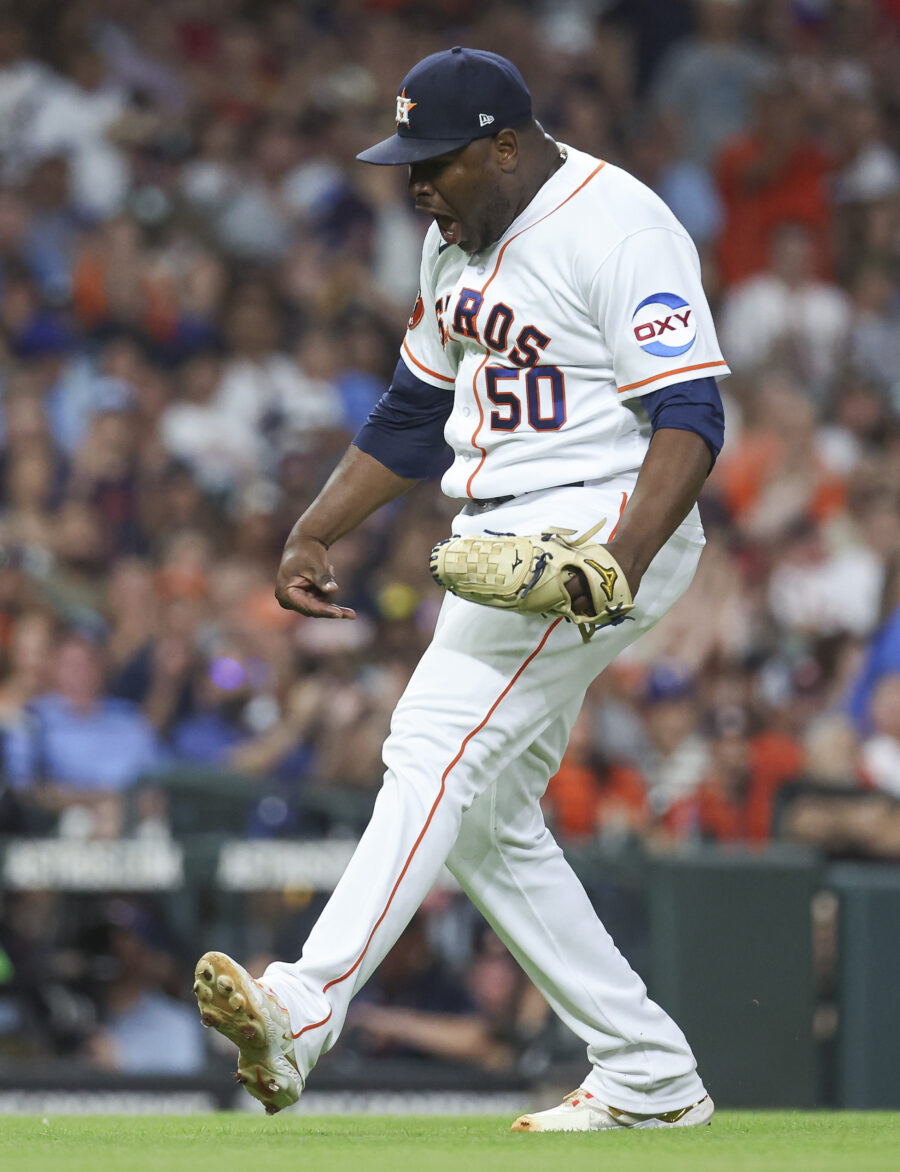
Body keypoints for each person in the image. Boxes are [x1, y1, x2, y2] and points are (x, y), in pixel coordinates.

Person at [193, 47, 727, 1133]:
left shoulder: (617, 226)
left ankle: (304, 1002)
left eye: (436, 162)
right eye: (406, 165)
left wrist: (616, 559)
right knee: (485, 822)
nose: (417, 187)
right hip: (504, 526)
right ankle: (647, 1073)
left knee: (432, 741)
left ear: (505, 145)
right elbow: (409, 413)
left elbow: (691, 420)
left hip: (604, 518)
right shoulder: (452, 243)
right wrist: (315, 525)